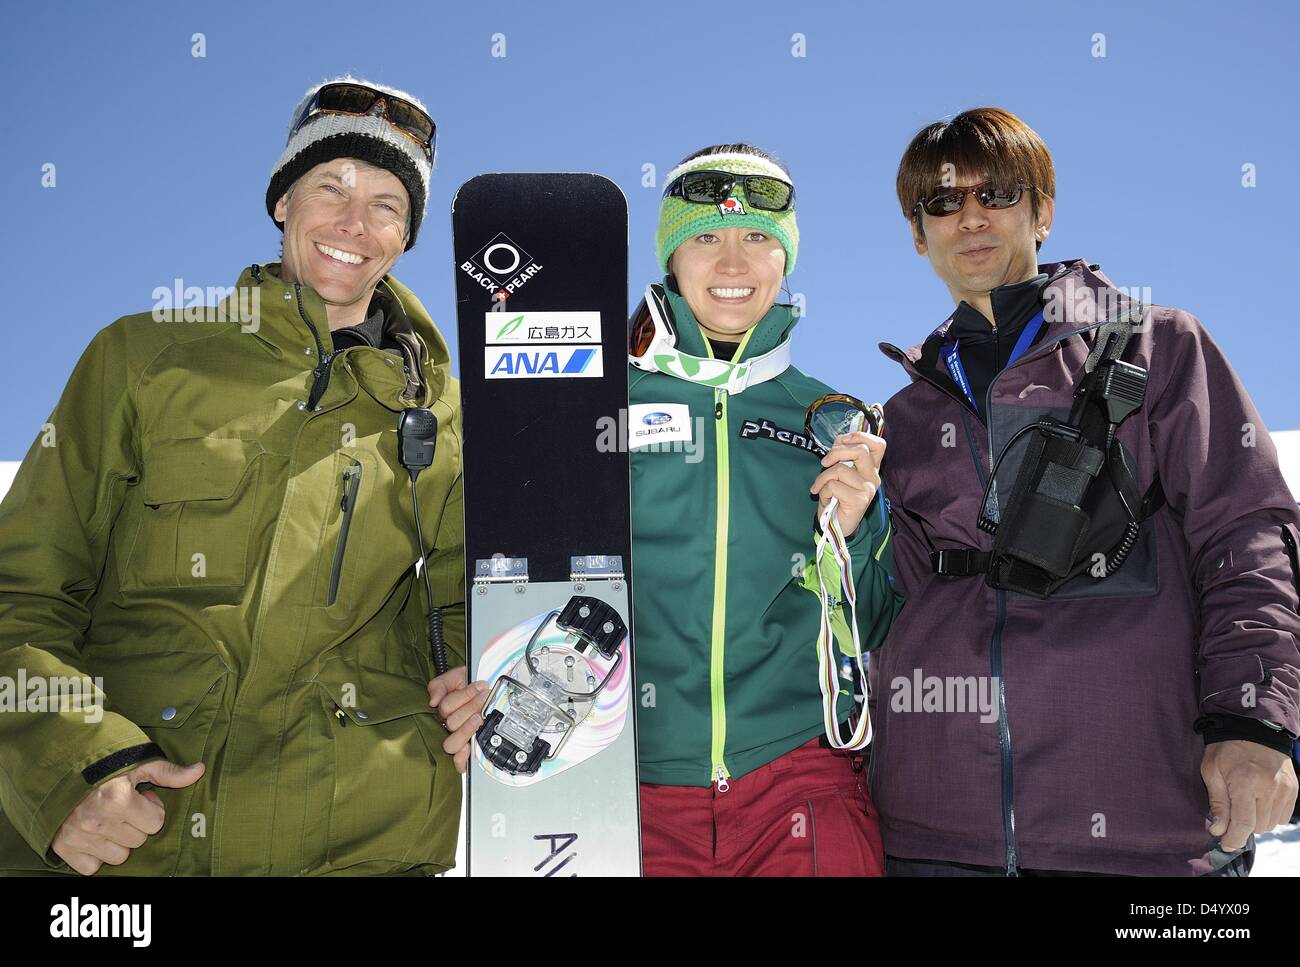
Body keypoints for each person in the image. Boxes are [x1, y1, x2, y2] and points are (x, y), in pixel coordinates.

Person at [0, 76, 467, 876]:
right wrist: (70, 768)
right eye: (331, 187)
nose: (355, 223)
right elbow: (22, 593)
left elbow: (469, 616)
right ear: (282, 200)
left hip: (361, 847)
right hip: (129, 841)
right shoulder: (144, 357)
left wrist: (474, 687)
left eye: (389, 205)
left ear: (406, 237)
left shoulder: (451, 415)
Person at [439, 143, 903, 876]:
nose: (731, 263)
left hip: (795, 778)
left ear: (785, 258)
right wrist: (474, 667)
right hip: (629, 786)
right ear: (671, 257)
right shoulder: (595, 402)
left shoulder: (829, 419)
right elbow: (524, 561)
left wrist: (854, 532)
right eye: (704, 238)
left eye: (757, 238)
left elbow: (872, 620)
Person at [871, 106, 1300, 876]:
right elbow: (891, 605)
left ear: (1042, 210)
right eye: (941, 201)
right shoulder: (901, 415)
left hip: (1147, 835)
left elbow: (1247, 535)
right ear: (917, 233)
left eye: (997, 193)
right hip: (933, 837)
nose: (969, 216)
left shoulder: (1159, 346)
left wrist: (1254, 721)